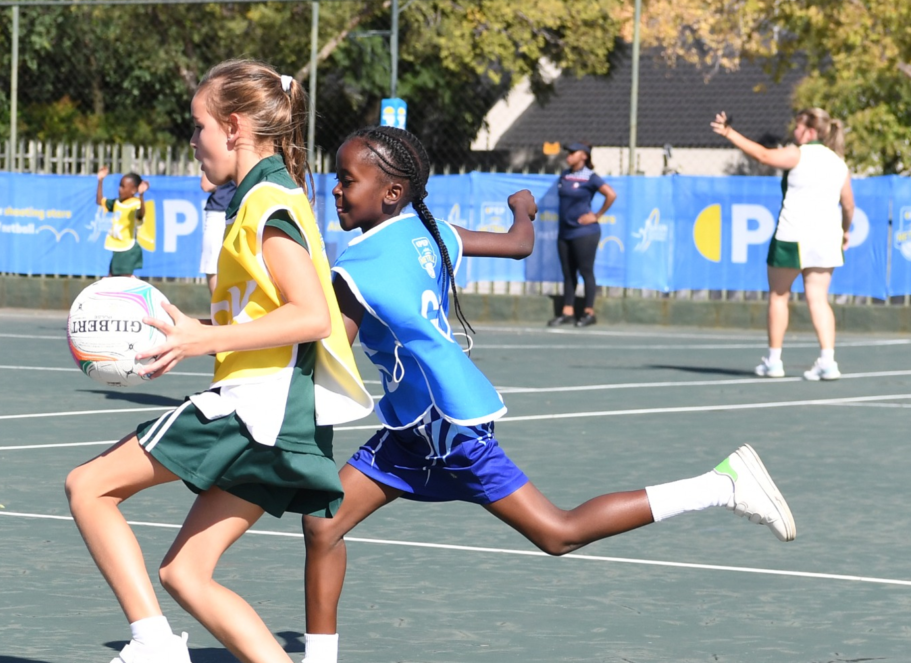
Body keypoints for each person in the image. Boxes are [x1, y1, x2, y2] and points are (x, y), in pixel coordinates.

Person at [300, 126, 796, 663]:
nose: (335, 189)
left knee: (558, 533)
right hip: (413, 429)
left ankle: (721, 484)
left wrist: (225, 343)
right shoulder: (431, 231)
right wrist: (523, 209)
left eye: (347, 180)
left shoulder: (356, 269)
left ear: (391, 192)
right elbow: (518, 245)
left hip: (447, 429)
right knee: (324, 525)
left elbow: (320, 350)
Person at [65, 59, 373, 663]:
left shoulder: (266, 204)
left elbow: (313, 315)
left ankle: (152, 644)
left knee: (88, 487)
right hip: (281, 418)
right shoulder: (261, 197)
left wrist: (198, 342)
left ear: (233, 127)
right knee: (186, 573)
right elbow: (268, 319)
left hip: (256, 409)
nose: (192, 141)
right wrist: (193, 331)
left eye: (197, 126)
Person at [711, 108, 854, 381]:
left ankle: (774, 361)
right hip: (826, 239)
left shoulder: (798, 153)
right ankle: (828, 361)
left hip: (793, 236)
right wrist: (844, 232)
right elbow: (848, 205)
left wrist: (729, 132)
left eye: (799, 126)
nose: (794, 131)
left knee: (779, 295)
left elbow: (763, 155)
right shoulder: (838, 163)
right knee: (819, 299)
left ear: (811, 131)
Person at [547, 141, 616, 328]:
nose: (568, 155)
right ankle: (567, 311)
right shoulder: (564, 175)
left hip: (585, 233)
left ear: (584, 156)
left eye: (573, 152)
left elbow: (611, 194)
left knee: (586, 271)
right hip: (565, 232)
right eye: (567, 152)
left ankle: (588, 312)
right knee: (568, 274)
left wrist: (596, 215)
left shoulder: (591, 178)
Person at [96, 166, 149, 277]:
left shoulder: (135, 203)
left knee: (123, 280)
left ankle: (136, 291)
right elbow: (99, 201)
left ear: (133, 190)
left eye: (122, 186)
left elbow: (141, 214)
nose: (119, 189)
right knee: (111, 278)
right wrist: (100, 180)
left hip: (128, 248)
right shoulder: (117, 202)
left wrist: (141, 195)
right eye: (119, 186)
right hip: (118, 247)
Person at [199, 171, 237, 293]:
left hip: (223, 212)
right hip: (231, 209)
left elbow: (206, 185)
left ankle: (220, 309)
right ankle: (221, 309)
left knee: (213, 263)